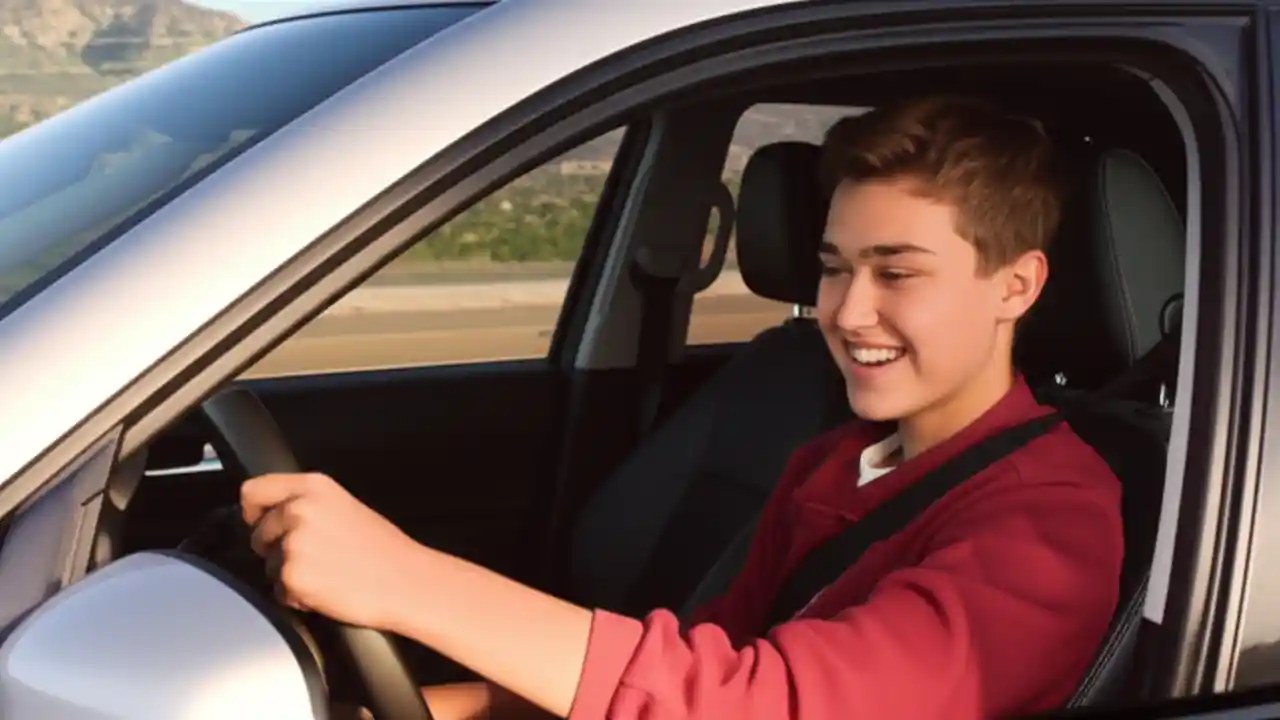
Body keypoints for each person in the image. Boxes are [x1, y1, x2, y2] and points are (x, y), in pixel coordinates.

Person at [240, 95, 1124, 720]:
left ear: (1016, 285)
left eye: (896, 273)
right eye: (832, 266)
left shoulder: (1049, 523)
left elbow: (764, 704)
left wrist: (407, 581)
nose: (847, 312)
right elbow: (688, 668)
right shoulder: (831, 460)